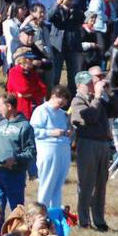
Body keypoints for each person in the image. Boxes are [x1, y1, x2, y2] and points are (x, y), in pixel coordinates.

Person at [69, 70, 118, 232]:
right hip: (87, 143)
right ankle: (83, 219)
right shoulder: (77, 102)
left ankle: (99, 219)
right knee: (87, 184)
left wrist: (110, 94)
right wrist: (97, 97)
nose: (92, 85)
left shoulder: (98, 100)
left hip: (103, 144)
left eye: (93, 82)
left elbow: (117, 111)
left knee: (101, 184)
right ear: (79, 85)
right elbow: (89, 117)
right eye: (89, 83)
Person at [0, 91, 34, 213]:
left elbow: (31, 151)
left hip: (15, 175)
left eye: (0, 106)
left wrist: (15, 159)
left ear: (9, 106)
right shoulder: (1, 124)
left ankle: (17, 232)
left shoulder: (25, 126)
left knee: (17, 211)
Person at [30, 85, 72, 213]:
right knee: (47, 184)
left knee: (58, 186)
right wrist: (51, 132)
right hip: (48, 150)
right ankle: (41, 212)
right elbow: (33, 131)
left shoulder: (63, 114)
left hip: (63, 149)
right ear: (54, 96)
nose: (63, 104)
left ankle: (54, 213)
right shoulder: (41, 110)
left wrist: (69, 132)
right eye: (61, 101)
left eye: (65, 102)